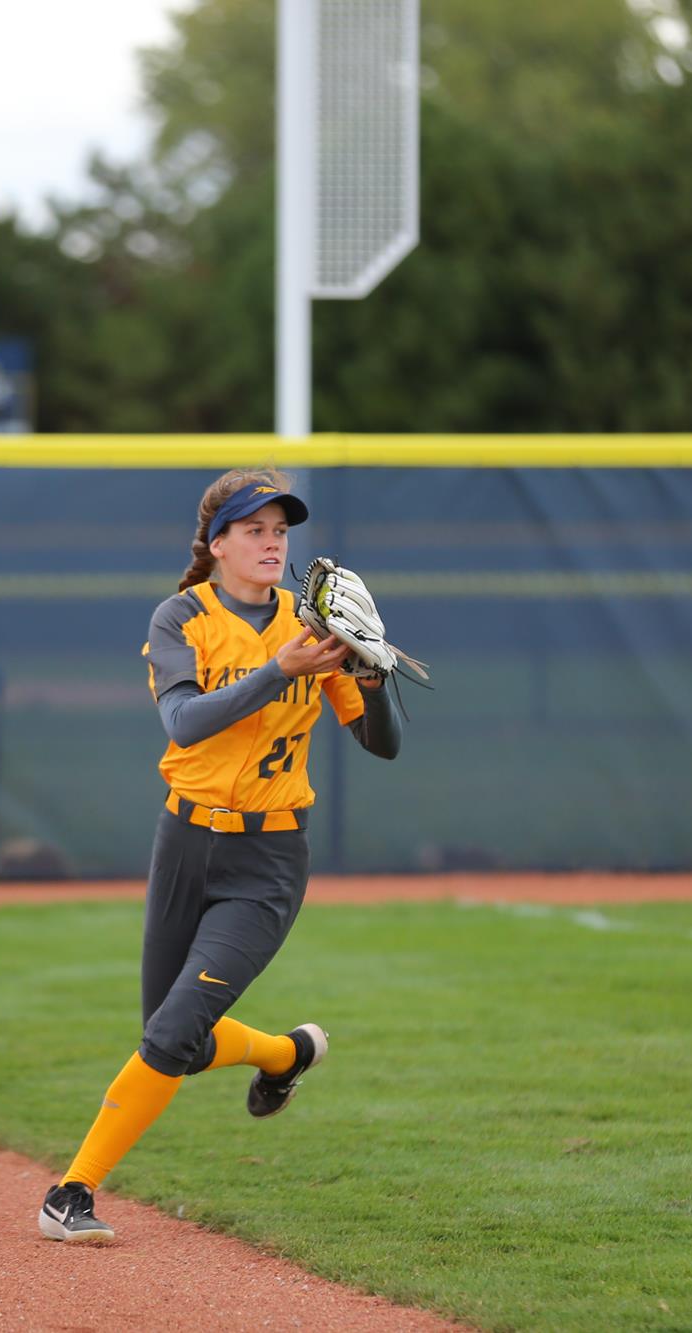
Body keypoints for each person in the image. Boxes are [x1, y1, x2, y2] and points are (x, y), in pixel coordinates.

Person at [38, 467, 404, 1243]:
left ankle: (71, 1192)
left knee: (169, 1037)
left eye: (280, 531)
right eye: (255, 530)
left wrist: (372, 674)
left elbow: (382, 745)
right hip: (185, 844)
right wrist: (280, 671)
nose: (272, 543)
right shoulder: (183, 617)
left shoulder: (312, 628)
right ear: (217, 544)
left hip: (267, 861)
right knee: (175, 1038)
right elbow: (184, 721)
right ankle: (284, 1053)